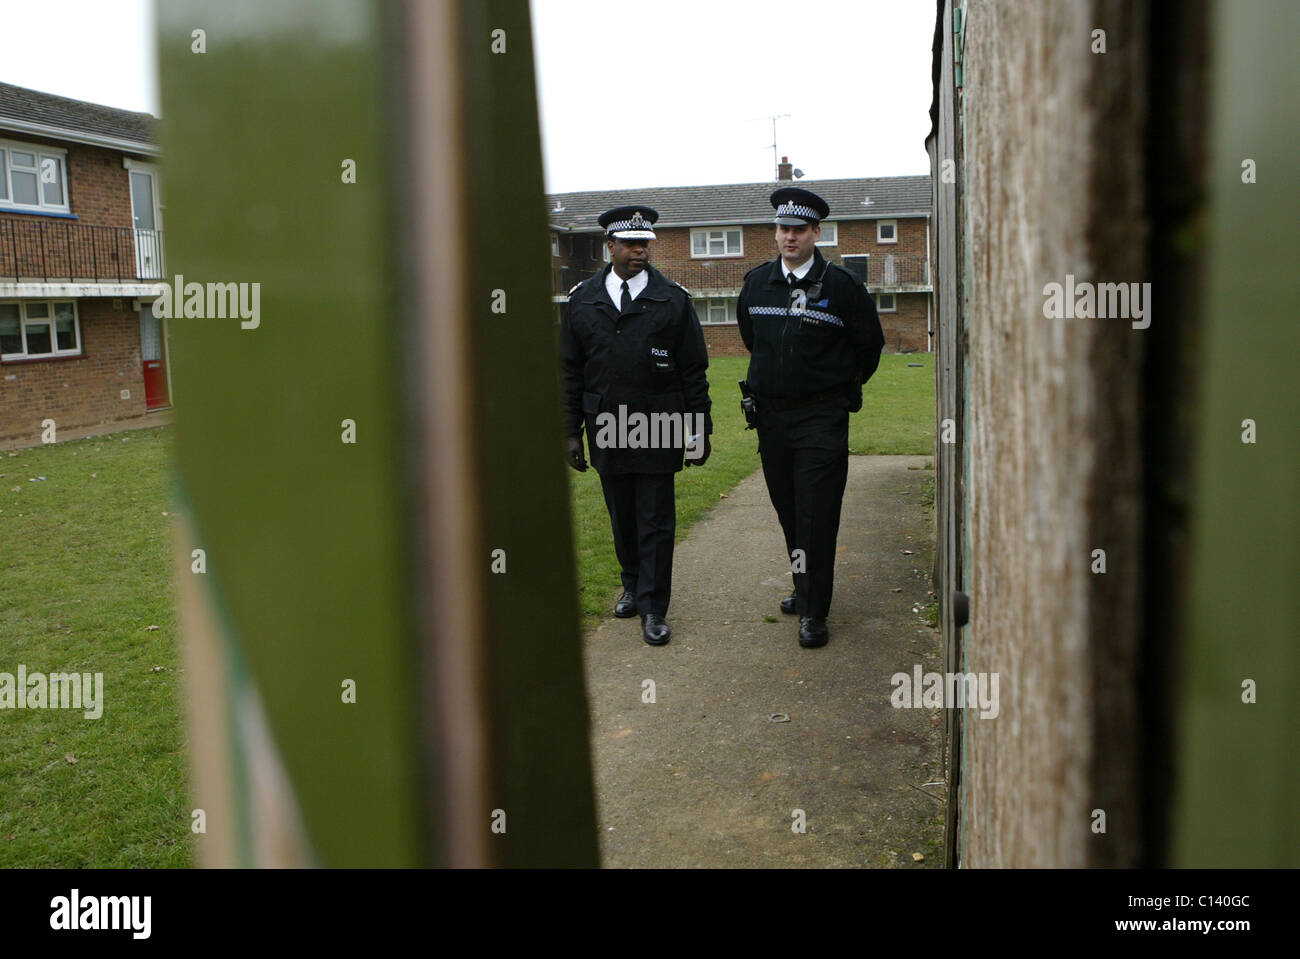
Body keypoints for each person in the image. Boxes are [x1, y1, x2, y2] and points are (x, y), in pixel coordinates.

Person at [737, 187, 884, 648]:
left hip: (821, 418)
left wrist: (838, 390)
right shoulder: (757, 283)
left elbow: (869, 346)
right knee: (790, 513)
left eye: (799, 230)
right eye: (783, 229)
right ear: (775, 232)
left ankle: (815, 613)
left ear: (816, 232)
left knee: (817, 516)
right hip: (773, 420)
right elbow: (752, 339)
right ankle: (804, 590)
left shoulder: (842, 287)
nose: (790, 237)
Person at [560, 205, 712, 646]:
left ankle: (653, 607)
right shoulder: (583, 299)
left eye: (644, 243)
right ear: (610, 246)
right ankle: (631, 584)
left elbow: (693, 371)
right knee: (622, 516)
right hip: (607, 421)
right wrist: (570, 431)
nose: (639, 250)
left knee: (656, 519)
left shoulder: (674, 299)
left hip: (660, 421)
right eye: (629, 243)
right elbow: (569, 371)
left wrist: (699, 429)